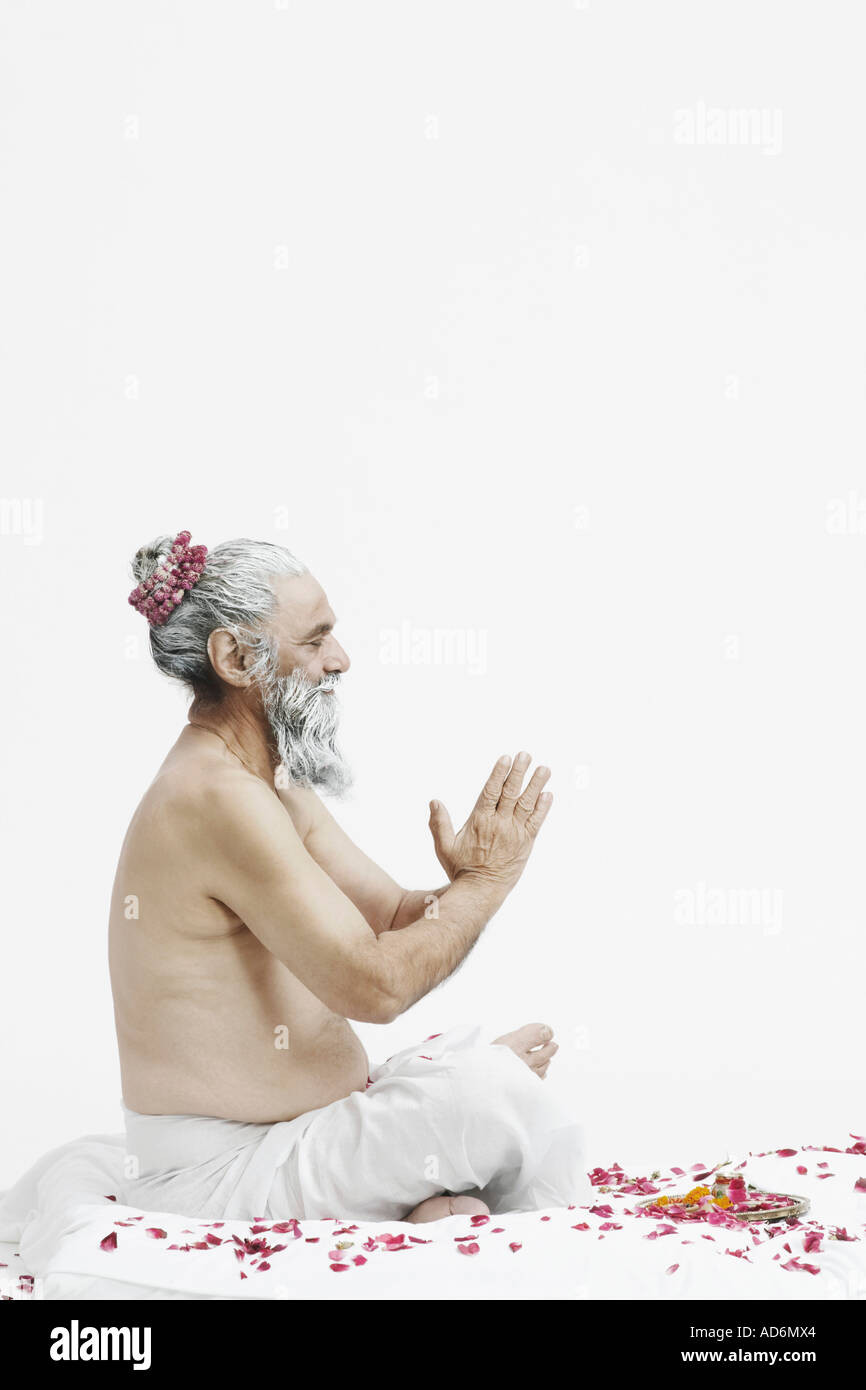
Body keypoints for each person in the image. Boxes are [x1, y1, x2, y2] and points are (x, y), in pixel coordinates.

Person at [110, 530, 585, 1222]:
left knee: (471, 1078)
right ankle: (419, 1197)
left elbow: (393, 919)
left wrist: (456, 891)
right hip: (223, 1175)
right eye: (316, 639)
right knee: (487, 1095)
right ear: (237, 658)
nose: (341, 660)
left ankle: (415, 1195)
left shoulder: (264, 779)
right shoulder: (213, 799)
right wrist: (483, 886)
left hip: (300, 1134)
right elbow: (377, 984)